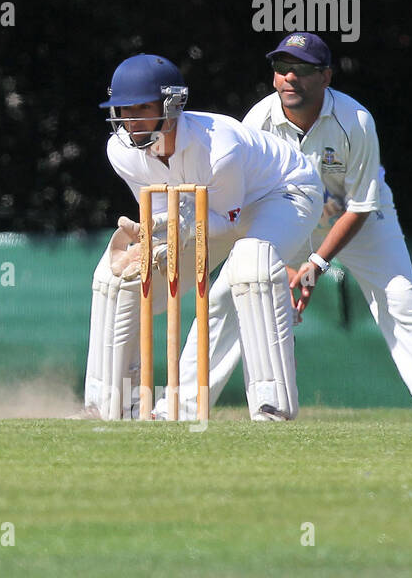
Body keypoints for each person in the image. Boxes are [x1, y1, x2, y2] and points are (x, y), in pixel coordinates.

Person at [176, 33, 412, 424]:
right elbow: (244, 203)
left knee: (402, 299)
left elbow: (362, 205)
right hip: (284, 214)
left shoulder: (355, 120)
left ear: (326, 77)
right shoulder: (258, 120)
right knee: (226, 296)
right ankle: (179, 411)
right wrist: (276, 264)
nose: (289, 78)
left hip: (357, 219)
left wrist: (315, 265)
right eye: (282, 69)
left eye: (302, 70)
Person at [82, 53, 324, 420]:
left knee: (251, 267)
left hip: (283, 194)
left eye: (142, 108)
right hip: (209, 211)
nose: (131, 121)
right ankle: (110, 406)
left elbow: (228, 223)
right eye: (124, 110)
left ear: (171, 105)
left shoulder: (218, 149)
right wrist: (151, 240)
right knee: (116, 277)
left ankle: (272, 407)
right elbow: (168, 214)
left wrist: (176, 227)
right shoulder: (122, 152)